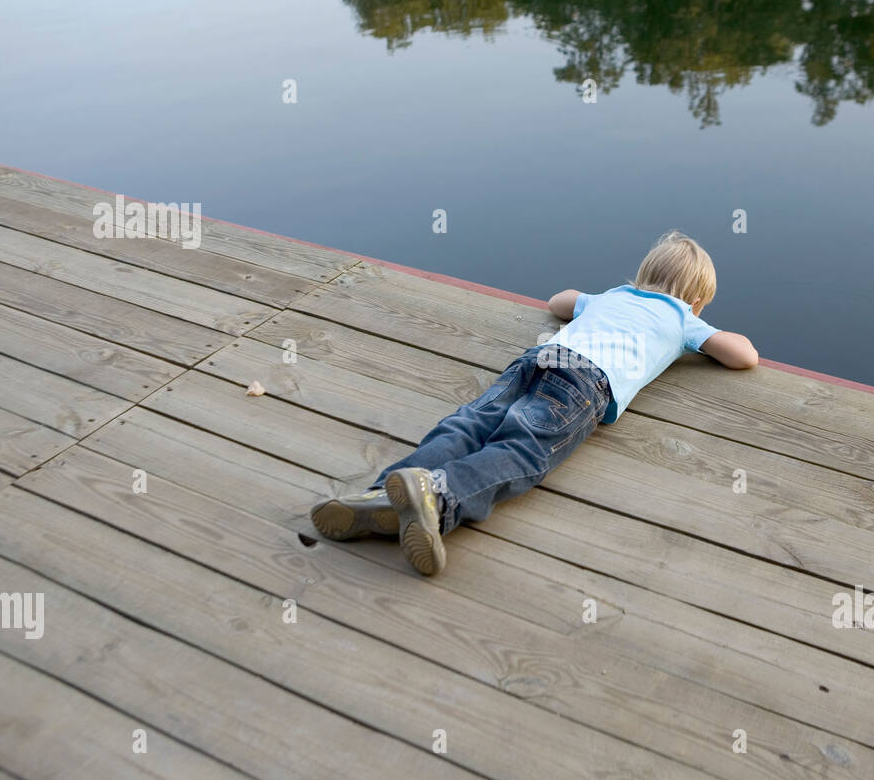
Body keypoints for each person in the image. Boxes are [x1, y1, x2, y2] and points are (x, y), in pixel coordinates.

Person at [309, 230, 758, 575]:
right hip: (583, 384)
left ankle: (383, 492)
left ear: (642, 277)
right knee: (523, 446)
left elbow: (558, 301)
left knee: (469, 424)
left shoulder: (613, 296)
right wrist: (698, 330)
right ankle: (440, 497)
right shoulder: (683, 318)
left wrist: (598, 300)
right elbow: (743, 356)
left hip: (540, 359)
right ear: (697, 301)